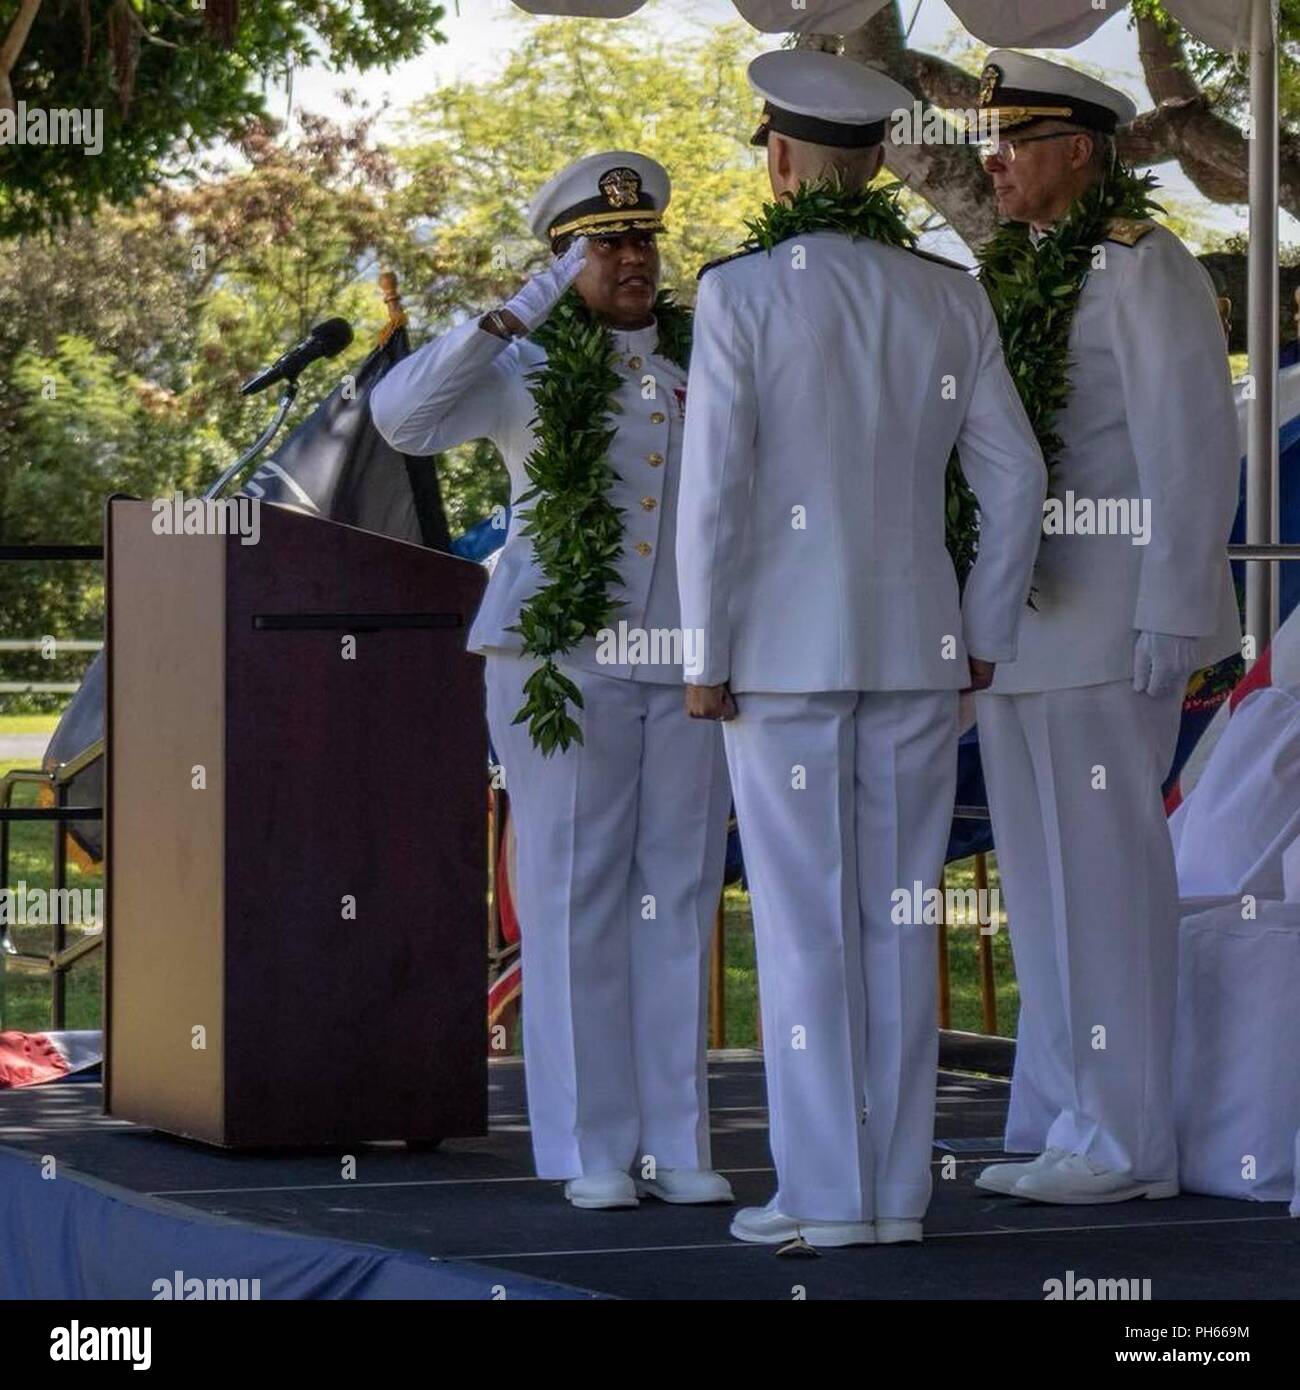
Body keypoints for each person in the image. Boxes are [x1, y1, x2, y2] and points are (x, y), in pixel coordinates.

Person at [676, 49, 1046, 1246]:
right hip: (919, 647)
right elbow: (1015, 477)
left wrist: (704, 648)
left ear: (781, 160)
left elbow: (718, 492)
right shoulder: (946, 292)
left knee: (802, 928)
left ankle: (826, 1197)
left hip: (782, 656)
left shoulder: (742, 292)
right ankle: (893, 1192)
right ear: (878, 163)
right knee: (896, 919)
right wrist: (982, 632)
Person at [371, 151, 733, 1211]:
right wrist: (505, 318)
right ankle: (589, 1148)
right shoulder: (523, 368)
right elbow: (403, 420)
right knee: (575, 892)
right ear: (564, 258)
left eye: (641, 241)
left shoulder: (705, 355)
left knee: (675, 893)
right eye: (603, 244)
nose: (630, 259)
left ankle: (674, 1139)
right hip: (557, 655)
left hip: (684, 655)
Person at [970, 51, 1242, 1204]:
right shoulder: (1023, 272)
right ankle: (1063, 1114)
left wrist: (1180, 607)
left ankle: (1128, 1144)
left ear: (1075, 151)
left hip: (1113, 617)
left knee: (1105, 881)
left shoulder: (1145, 267)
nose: (995, 162)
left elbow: (1193, 444)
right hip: (1024, 624)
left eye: (1014, 141)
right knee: (1039, 883)